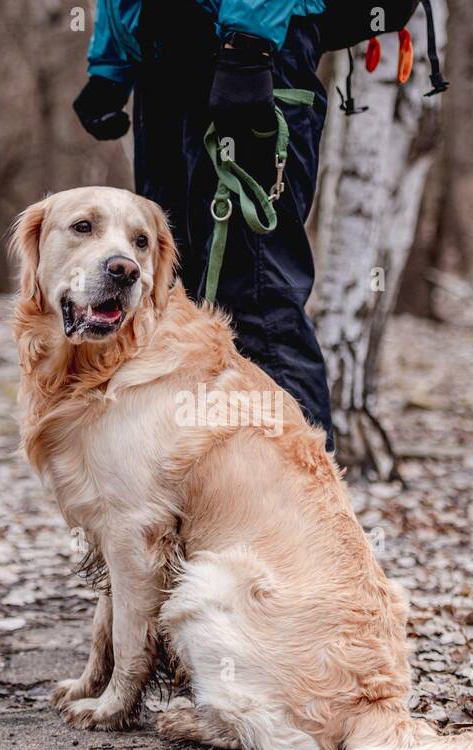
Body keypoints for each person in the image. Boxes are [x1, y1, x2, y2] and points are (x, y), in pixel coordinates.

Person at [71, 0, 334, 447]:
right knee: (173, 299)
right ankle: (204, 494)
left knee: (254, 301)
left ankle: (304, 502)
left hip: (251, 51)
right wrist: (110, 65)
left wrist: (251, 39)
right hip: (163, 60)